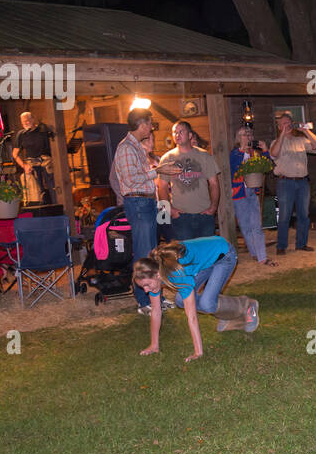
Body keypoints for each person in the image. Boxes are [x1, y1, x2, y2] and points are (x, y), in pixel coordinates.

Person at [132, 236, 258, 364]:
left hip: (224, 254)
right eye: (143, 287)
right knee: (181, 301)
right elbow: (156, 311)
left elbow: (191, 316)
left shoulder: (177, 273)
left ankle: (247, 305)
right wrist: (154, 345)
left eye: (147, 285)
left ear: (158, 275)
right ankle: (226, 314)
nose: (146, 290)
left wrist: (198, 352)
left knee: (207, 304)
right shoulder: (155, 271)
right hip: (205, 261)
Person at [111, 107, 177, 313]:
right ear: (141, 124)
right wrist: (158, 171)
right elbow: (131, 180)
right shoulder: (126, 149)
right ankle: (143, 300)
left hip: (147, 203)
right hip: (138, 204)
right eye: (150, 123)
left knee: (152, 254)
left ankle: (156, 296)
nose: (151, 127)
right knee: (142, 255)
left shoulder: (136, 148)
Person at [157, 120, 221, 241]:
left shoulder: (204, 156)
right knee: (185, 255)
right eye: (174, 132)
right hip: (181, 217)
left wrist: (213, 208)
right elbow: (162, 187)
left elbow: (214, 184)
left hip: (204, 215)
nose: (177, 135)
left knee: (206, 253)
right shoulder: (167, 158)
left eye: (181, 132)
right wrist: (169, 210)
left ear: (190, 135)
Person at [270, 111, 316, 254]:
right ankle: (281, 246)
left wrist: (306, 131)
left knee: (303, 215)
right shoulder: (276, 142)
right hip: (285, 183)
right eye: (284, 123)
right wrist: (282, 135)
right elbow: (274, 154)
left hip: (303, 182)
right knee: (285, 215)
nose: (288, 125)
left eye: (289, 122)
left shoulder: (300, 140)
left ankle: (301, 244)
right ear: (280, 127)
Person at [229, 125, 276, 267]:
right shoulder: (235, 153)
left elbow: (268, 166)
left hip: (252, 191)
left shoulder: (255, 153)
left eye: (249, 134)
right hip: (239, 193)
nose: (248, 137)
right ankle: (255, 253)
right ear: (239, 138)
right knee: (245, 226)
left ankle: (262, 257)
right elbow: (236, 167)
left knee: (256, 225)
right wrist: (243, 151)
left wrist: (265, 150)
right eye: (244, 134)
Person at [12, 111, 56, 204]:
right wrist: (24, 166)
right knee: (37, 189)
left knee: (52, 187)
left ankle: (56, 206)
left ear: (33, 119)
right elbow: (15, 154)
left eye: (27, 120)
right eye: (23, 122)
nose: (25, 123)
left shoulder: (43, 130)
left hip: (46, 162)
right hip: (31, 164)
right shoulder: (21, 134)